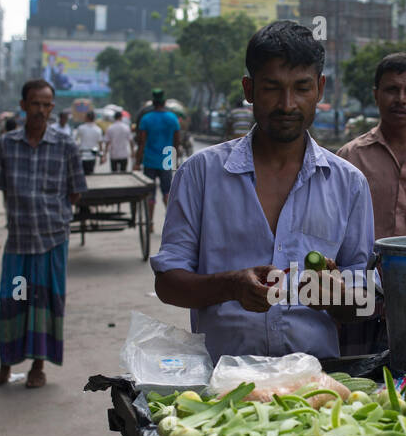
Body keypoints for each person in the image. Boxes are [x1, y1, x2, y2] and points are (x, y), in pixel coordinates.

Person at [151, 20, 375, 362]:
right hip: (222, 380)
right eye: (272, 88)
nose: (287, 104)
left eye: (302, 88)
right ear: (249, 89)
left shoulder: (349, 184)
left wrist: (337, 298)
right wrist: (231, 286)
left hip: (315, 383)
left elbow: (366, 302)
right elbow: (167, 283)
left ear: (320, 88)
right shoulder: (199, 175)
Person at [0, 80, 86, 391]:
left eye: (47, 105)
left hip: (52, 239)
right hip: (19, 241)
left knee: (46, 303)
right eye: (35, 104)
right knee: (12, 301)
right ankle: (4, 368)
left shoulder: (66, 145)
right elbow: (3, 188)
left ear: (53, 108)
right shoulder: (6, 144)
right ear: (23, 105)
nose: (41, 110)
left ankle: (39, 367)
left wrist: (53, 210)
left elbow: (75, 192)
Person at [337, 52, 406, 240]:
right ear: (376, 95)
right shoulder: (349, 158)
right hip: (364, 269)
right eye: (391, 90)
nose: (401, 99)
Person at [135, 88, 181, 215]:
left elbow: (141, 143)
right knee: (167, 192)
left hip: (149, 159)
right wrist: (175, 160)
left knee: (150, 193)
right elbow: (176, 142)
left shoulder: (146, 119)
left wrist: (137, 162)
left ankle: (149, 222)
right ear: (164, 102)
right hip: (167, 158)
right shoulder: (172, 118)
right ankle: (170, 221)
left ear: (153, 103)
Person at [74, 110, 104, 174]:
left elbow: (75, 141)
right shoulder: (98, 129)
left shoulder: (81, 128)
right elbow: (100, 144)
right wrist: (102, 157)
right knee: (91, 174)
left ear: (87, 118)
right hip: (92, 156)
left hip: (82, 155)